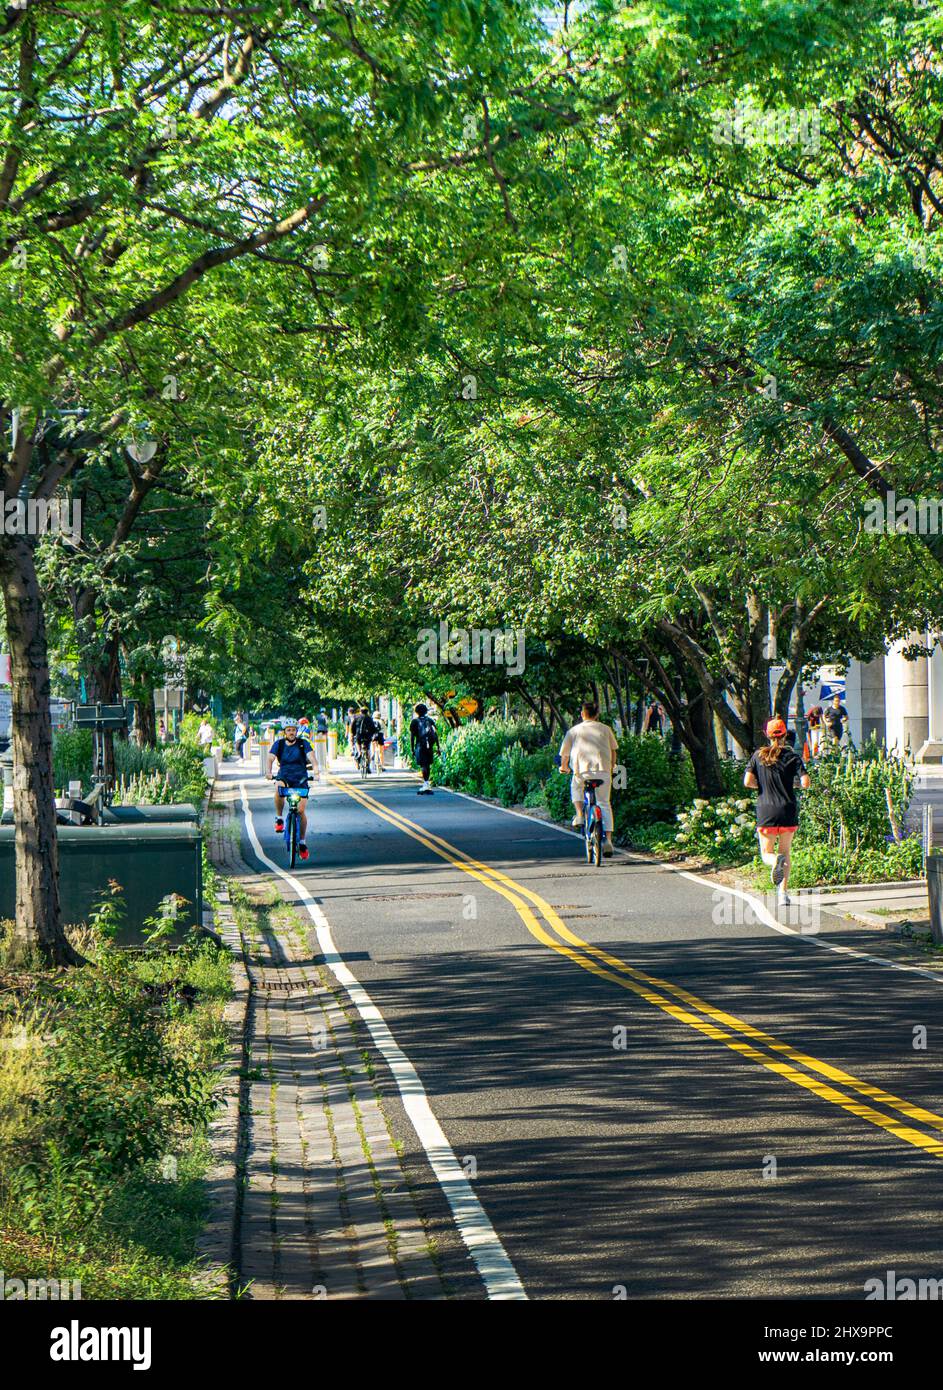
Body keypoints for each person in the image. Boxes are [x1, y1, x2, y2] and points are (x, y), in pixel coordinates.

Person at [744, 717, 811, 907]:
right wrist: (793, 785)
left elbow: (747, 781)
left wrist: (761, 785)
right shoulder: (792, 757)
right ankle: (783, 894)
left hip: (766, 810)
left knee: (767, 853)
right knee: (786, 851)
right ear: (785, 735)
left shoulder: (758, 756)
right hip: (788, 809)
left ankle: (775, 862)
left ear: (767, 734)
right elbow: (805, 782)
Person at [559, 699, 619, 856]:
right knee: (605, 803)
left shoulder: (573, 731)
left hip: (582, 771)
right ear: (597, 714)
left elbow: (565, 754)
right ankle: (608, 841)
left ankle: (579, 814)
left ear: (582, 714)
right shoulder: (606, 729)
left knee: (576, 787)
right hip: (603, 771)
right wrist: (612, 766)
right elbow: (613, 751)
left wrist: (564, 767)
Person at [267, 718, 318, 861]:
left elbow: (312, 758)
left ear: (297, 731)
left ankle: (302, 842)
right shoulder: (279, 744)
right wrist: (268, 771)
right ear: (284, 732)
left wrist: (317, 772)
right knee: (278, 788)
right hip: (284, 776)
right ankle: (279, 819)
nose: (291, 732)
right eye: (288, 730)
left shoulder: (303, 744)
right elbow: (270, 758)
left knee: (301, 811)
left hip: (301, 778)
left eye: (293, 730)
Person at [410, 703, 440, 793]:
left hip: (420, 745)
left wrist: (412, 749)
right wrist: (438, 747)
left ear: (416, 712)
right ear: (426, 711)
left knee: (423, 765)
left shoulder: (414, 722)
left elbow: (412, 737)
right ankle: (427, 783)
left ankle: (426, 783)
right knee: (428, 764)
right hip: (429, 745)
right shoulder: (430, 720)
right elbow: (435, 734)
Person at [352, 705, 378, 770]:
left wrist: (354, 734)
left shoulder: (357, 718)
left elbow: (353, 727)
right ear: (367, 712)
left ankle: (359, 753)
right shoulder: (369, 718)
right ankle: (368, 767)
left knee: (358, 743)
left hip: (359, 735)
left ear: (360, 711)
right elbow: (373, 728)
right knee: (368, 749)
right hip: (367, 735)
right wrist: (373, 734)